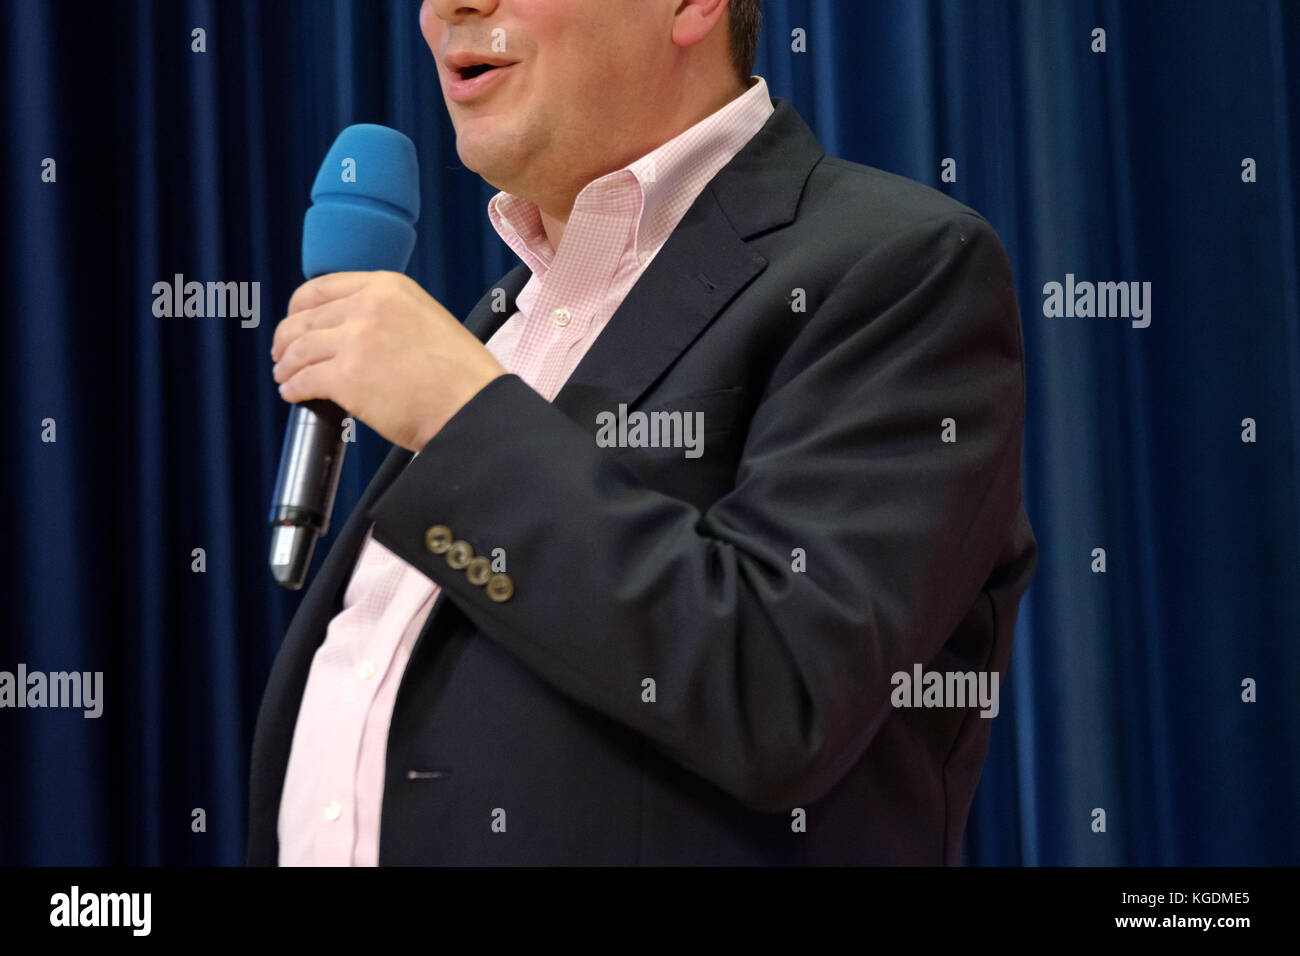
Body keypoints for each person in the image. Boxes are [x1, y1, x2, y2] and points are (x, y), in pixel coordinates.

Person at [248, 0, 1038, 866]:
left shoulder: (898, 268)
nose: (450, 8)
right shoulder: (499, 325)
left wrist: (460, 416)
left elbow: (783, 691)